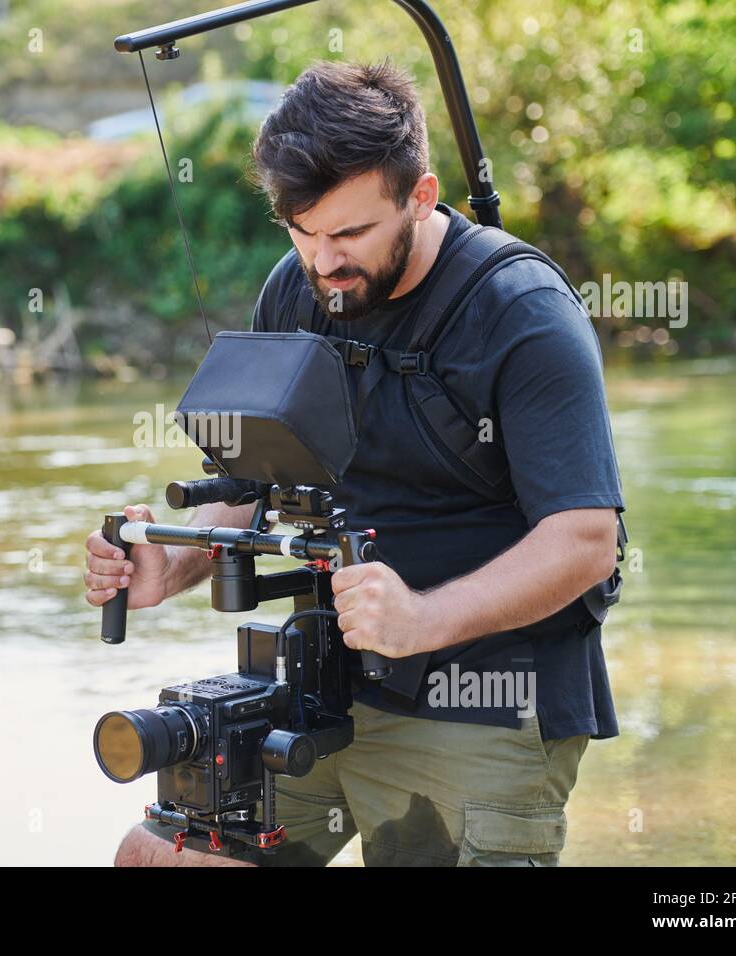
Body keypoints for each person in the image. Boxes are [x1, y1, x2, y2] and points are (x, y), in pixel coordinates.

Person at [86, 59, 625, 867]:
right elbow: (249, 485)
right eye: (302, 233)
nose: (324, 262)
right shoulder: (296, 288)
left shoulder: (523, 314)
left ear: (419, 192)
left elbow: (587, 543)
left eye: (349, 234)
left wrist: (423, 619)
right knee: (154, 857)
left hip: (482, 693)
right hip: (326, 682)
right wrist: (174, 560)